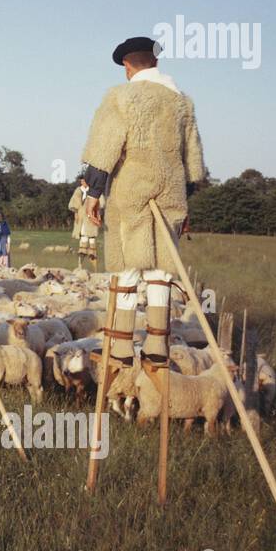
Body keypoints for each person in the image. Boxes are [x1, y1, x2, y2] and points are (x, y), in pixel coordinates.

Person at [80, 35, 207, 366]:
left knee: (128, 266)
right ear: (156, 61)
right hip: (172, 192)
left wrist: (93, 193)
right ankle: (156, 346)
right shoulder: (182, 102)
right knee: (162, 269)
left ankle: (121, 348)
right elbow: (193, 158)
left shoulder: (122, 96)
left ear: (126, 65)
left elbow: (105, 146)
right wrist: (187, 198)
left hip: (132, 190)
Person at [67, 176, 104, 266]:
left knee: (92, 238)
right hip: (81, 216)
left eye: (85, 181)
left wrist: (97, 211)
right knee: (83, 236)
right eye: (82, 181)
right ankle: (80, 261)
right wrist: (75, 213)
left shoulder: (94, 190)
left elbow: (101, 202)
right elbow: (74, 203)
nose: (83, 182)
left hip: (91, 215)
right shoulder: (78, 190)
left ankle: (93, 260)